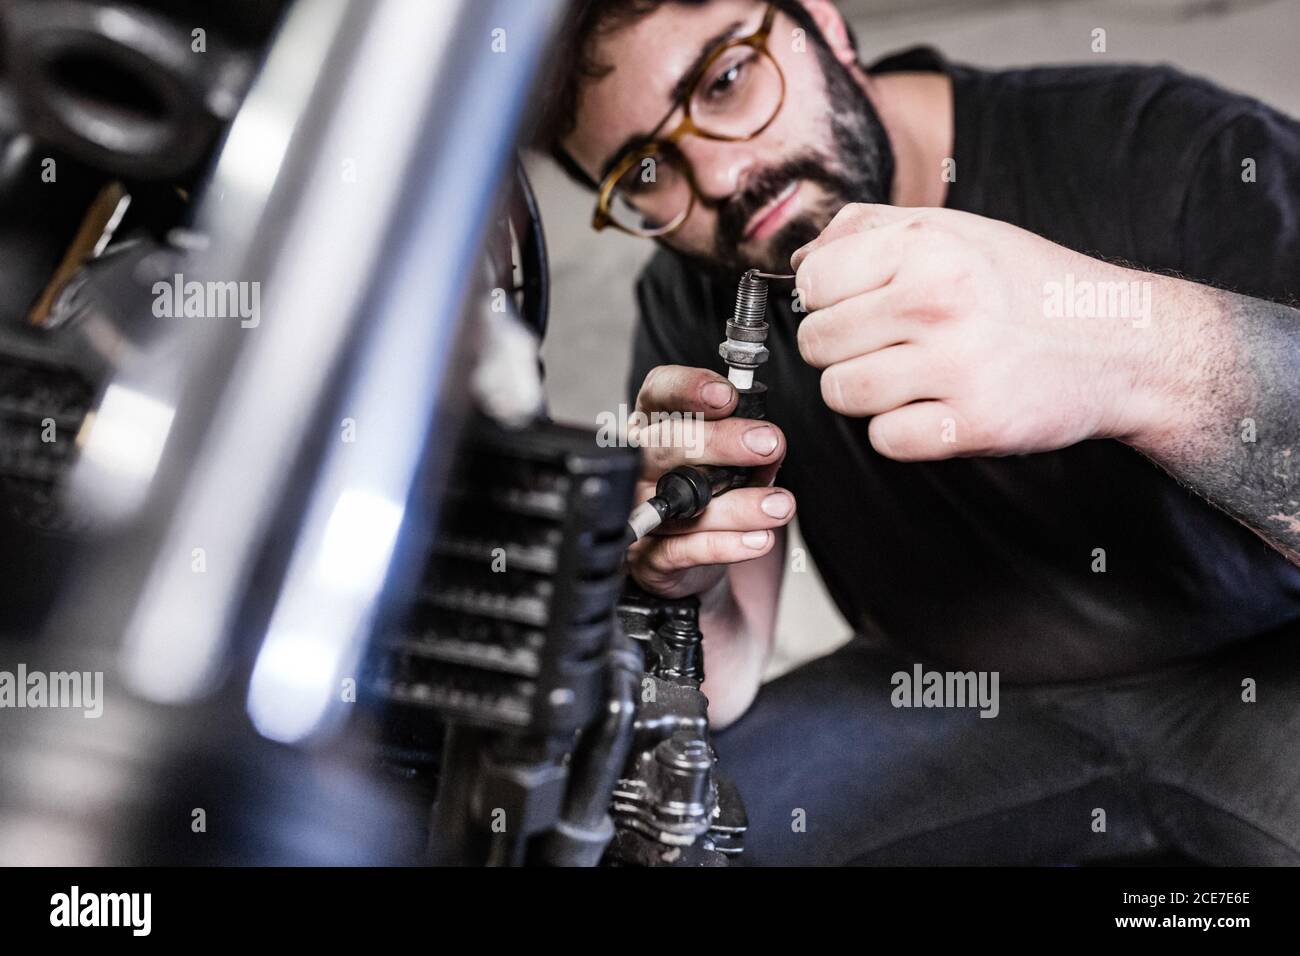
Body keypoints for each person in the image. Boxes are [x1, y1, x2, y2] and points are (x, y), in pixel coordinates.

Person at [534, 0, 1300, 864]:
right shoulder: (693, 291)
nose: (717, 176)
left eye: (725, 79)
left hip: (1261, 670)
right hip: (937, 693)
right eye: (643, 172)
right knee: (652, 841)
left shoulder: (1167, 146)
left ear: (823, 25)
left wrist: (1134, 349)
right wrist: (693, 586)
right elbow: (727, 673)